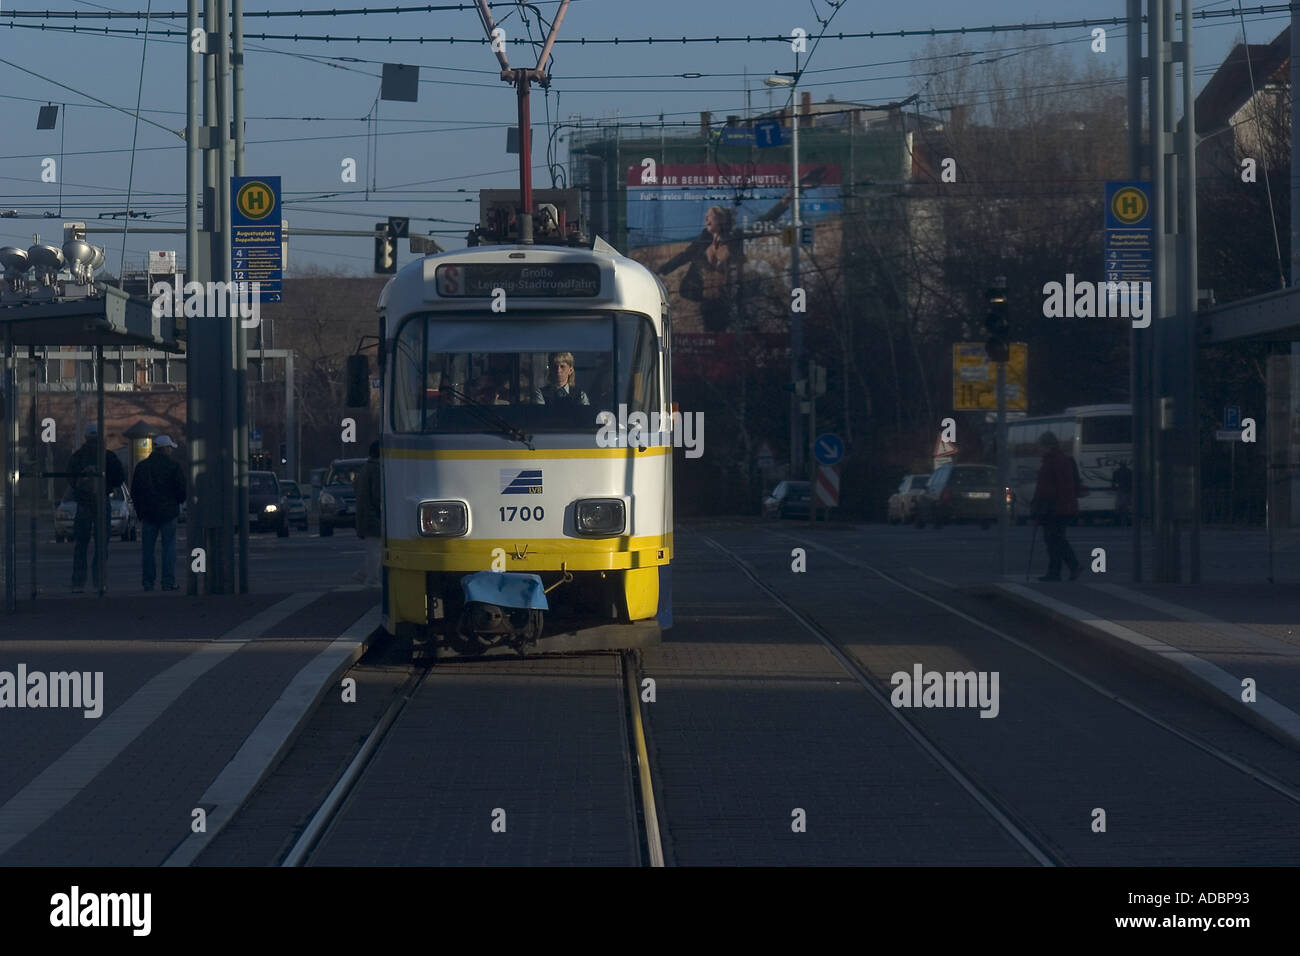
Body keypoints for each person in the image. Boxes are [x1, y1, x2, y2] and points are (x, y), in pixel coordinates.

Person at [656, 205, 745, 333]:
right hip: (706, 298)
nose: (706, 219)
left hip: (725, 299)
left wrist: (783, 204)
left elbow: (764, 220)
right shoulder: (703, 239)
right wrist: (662, 270)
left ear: (720, 219)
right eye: (705, 216)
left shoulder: (734, 238)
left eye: (710, 216)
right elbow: (685, 256)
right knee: (709, 334)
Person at [66, 423, 127, 593]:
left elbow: (69, 479)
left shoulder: (78, 456)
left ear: (86, 438)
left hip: (84, 503)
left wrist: (82, 482)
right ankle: (99, 581)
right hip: (102, 501)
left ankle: (78, 582)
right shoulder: (108, 456)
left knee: (81, 544)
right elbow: (119, 478)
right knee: (102, 544)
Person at [130, 434, 186, 591]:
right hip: (168, 512)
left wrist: (140, 511)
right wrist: (178, 502)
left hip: (148, 513)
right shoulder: (174, 466)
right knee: (169, 548)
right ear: (166, 448)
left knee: (148, 550)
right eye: (170, 448)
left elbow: (135, 492)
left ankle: (148, 583)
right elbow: (181, 490)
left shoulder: (142, 467)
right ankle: (168, 582)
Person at [1030, 431, 1081, 581]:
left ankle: (1066, 568)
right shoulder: (1053, 460)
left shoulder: (1056, 461)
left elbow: (1060, 486)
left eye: (1040, 446)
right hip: (1054, 506)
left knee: (1054, 539)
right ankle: (1059, 570)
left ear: (1048, 446)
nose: (1039, 449)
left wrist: (1044, 502)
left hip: (1055, 507)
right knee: (1055, 539)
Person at [353, 440, 382, 586]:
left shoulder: (365, 468)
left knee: (374, 549)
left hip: (364, 514)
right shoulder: (376, 470)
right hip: (373, 516)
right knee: (375, 550)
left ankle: (362, 573)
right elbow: (378, 496)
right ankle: (372, 579)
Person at [1112, 461, 1133, 526]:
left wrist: (1114, 487)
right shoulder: (1129, 471)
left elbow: (1114, 482)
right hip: (1128, 490)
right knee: (1127, 504)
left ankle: (1120, 518)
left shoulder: (1116, 472)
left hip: (1120, 489)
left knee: (1120, 504)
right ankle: (1126, 518)